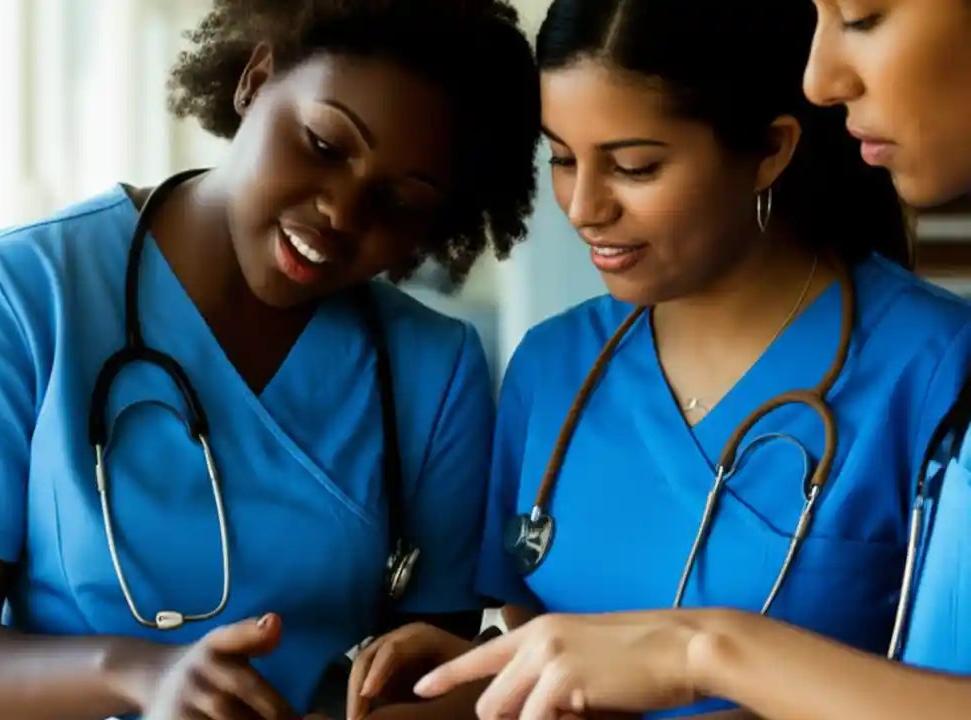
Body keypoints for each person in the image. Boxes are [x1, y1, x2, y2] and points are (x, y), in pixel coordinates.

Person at [0, 2, 542, 718]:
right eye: (324, 144)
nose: (340, 211)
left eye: (398, 202)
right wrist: (140, 675)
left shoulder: (435, 370)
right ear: (256, 78)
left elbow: (422, 677)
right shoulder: (26, 292)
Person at [347, 0, 971, 718]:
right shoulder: (552, 369)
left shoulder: (936, 371)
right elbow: (565, 681)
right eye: (560, 158)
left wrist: (704, 655)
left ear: (770, 150)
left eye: (635, 167)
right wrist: (470, 685)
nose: (583, 206)